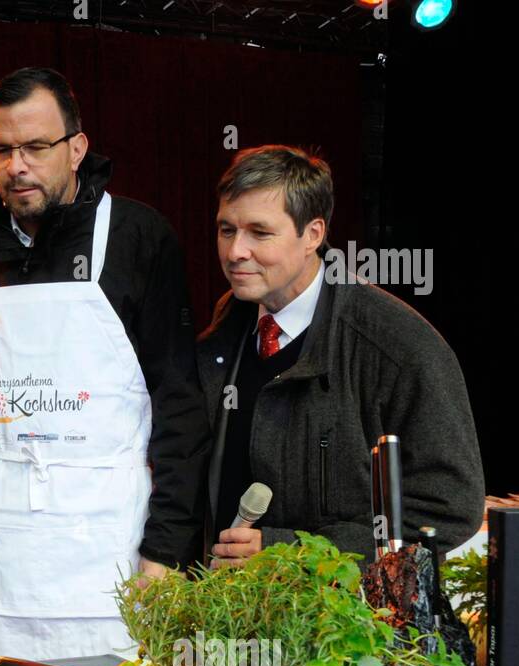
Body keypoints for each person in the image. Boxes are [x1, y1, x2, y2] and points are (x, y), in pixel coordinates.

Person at [0, 67, 210, 666]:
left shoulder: (139, 238)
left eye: (36, 147)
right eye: (2, 149)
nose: (17, 165)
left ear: (77, 147)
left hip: (109, 560)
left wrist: (165, 555)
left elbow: (180, 407)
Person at [199, 145, 484, 565]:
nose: (235, 251)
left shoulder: (397, 347)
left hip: (342, 626)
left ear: (313, 234)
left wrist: (291, 554)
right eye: (227, 230)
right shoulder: (226, 326)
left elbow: (448, 508)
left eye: (259, 233)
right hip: (227, 616)